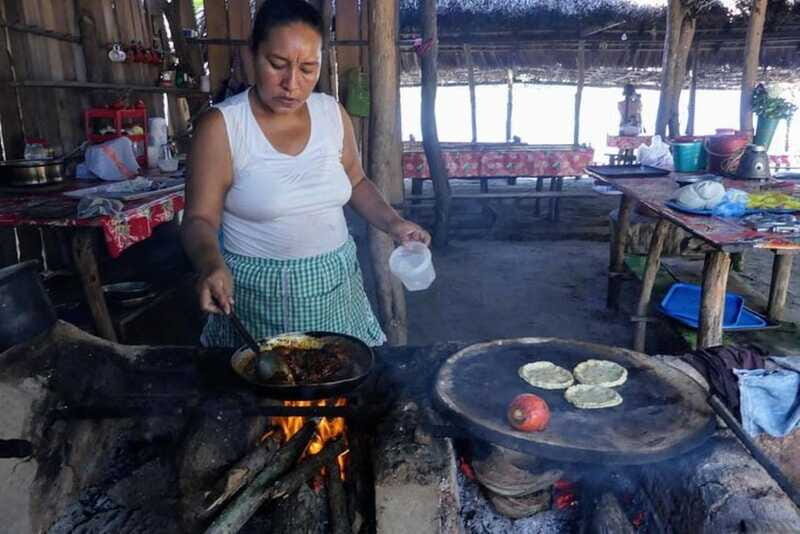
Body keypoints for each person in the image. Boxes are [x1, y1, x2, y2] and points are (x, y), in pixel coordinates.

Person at [181, 0, 430, 348]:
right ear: (252, 55)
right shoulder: (223, 127)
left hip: (335, 282)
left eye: (308, 69)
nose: (292, 84)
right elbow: (198, 219)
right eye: (277, 64)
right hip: (257, 295)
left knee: (339, 379)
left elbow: (356, 181)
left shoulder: (331, 113)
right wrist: (210, 265)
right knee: (266, 386)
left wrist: (394, 223)